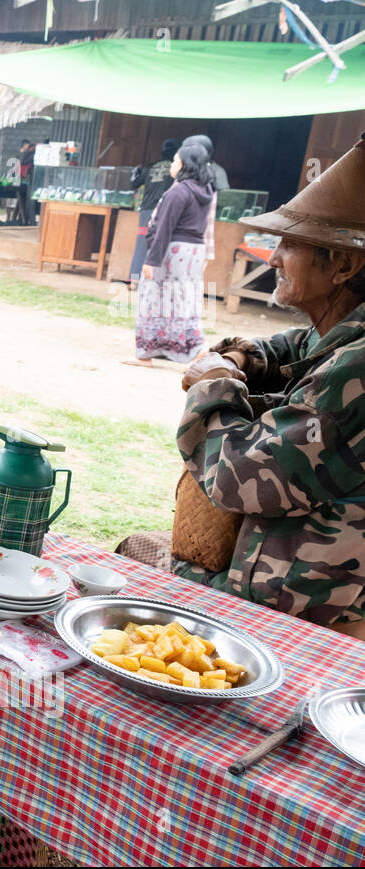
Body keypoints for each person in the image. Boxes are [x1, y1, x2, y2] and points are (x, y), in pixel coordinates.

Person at [171, 136, 365, 638]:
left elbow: (234, 475)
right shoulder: (339, 335)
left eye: (289, 245)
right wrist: (237, 358)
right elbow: (288, 348)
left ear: (343, 266)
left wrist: (212, 384)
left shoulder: (358, 369)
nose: (274, 257)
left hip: (305, 617)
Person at [125, 143, 213, 367]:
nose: (172, 165)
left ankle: (145, 354)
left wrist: (151, 261)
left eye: (175, 161)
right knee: (182, 300)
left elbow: (164, 228)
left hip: (173, 252)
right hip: (193, 253)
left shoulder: (179, 191)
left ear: (185, 164)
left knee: (153, 298)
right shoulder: (206, 190)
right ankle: (193, 349)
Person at [128, 137, 181, 284]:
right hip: (165, 211)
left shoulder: (150, 167)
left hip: (146, 210)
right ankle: (154, 281)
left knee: (141, 244)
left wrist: (136, 170)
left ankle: (134, 280)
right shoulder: (176, 169)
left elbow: (134, 183)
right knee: (161, 245)